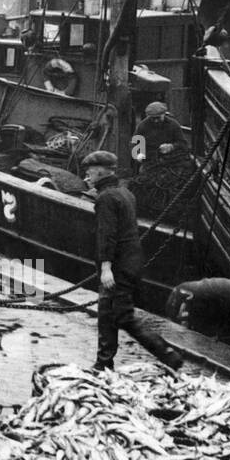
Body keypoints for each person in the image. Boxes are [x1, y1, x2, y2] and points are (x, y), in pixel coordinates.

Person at [80, 149, 183, 372]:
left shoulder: (106, 198)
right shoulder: (126, 193)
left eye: (89, 171)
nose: (87, 175)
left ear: (99, 171)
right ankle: (103, 363)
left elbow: (106, 234)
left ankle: (167, 354)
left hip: (118, 266)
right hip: (132, 262)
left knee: (123, 316)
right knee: (107, 313)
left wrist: (106, 267)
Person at [132, 100, 186, 166]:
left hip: (171, 160)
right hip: (150, 160)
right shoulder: (142, 126)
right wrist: (138, 155)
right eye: (153, 118)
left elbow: (183, 143)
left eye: (158, 118)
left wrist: (171, 146)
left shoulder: (173, 125)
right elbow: (135, 144)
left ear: (164, 114)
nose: (156, 121)